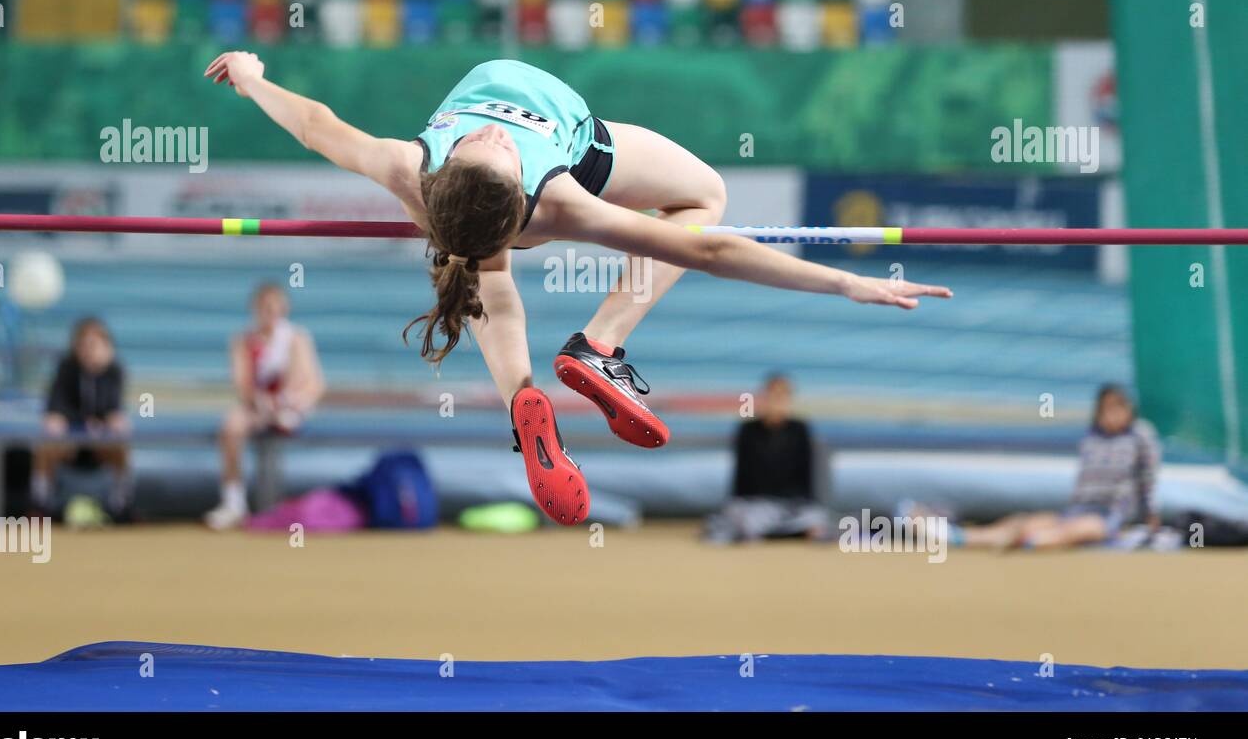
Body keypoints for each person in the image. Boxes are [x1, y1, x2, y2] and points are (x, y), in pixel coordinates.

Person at [204, 52, 951, 525]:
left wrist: (252, 77)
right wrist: (849, 281)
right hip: (577, 137)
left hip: (492, 212)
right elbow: (713, 246)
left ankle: (523, 399)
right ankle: (600, 344)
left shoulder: (409, 166)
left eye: (491, 149)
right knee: (703, 194)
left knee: (487, 275)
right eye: (494, 150)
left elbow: (315, 125)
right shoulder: (560, 198)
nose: (494, 140)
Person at [956, 384, 1161, 550]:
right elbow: (1084, 482)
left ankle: (1031, 541)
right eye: (1106, 410)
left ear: (1128, 410)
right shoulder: (1092, 438)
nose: (1112, 416)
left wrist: (1150, 513)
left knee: (1082, 529)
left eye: (1118, 408)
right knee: (1033, 521)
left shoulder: (1139, 435)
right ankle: (960, 536)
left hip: (1111, 514)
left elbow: (1148, 476)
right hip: (1080, 508)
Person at [204, 283, 326, 530]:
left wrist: (288, 402)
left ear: (284, 308)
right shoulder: (243, 340)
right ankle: (233, 502)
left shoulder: (296, 338)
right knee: (230, 427)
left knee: (282, 418)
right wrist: (260, 403)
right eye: (264, 307)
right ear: (255, 309)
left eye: (274, 307)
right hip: (257, 406)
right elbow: (242, 384)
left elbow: (315, 384)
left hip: (290, 406)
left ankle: (274, 508)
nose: (269, 312)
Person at [704, 373, 832, 543]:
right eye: (773, 395)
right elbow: (742, 478)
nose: (777, 401)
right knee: (744, 519)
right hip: (756, 505)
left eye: (782, 396)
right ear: (764, 397)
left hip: (792, 506)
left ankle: (785, 531)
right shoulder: (748, 431)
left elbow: (807, 476)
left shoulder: (800, 430)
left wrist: (799, 502)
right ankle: (785, 532)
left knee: (816, 518)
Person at [34, 317, 131, 515]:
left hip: (100, 440)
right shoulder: (66, 367)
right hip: (71, 437)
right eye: (84, 344)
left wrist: (104, 422)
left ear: (106, 346)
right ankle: (40, 500)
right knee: (47, 442)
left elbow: (113, 408)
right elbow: (55, 405)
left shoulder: (114, 370)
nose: (88, 350)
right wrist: (78, 422)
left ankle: (122, 501)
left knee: (121, 440)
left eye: (94, 344)